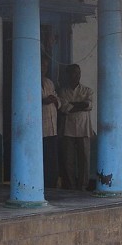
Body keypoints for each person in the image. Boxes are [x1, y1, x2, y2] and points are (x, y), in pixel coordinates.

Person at [58, 63, 93, 191]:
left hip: (84, 128)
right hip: (68, 129)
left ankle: (83, 186)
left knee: (85, 160)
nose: (77, 75)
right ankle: (71, 186)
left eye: (78, 73)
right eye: (74, 73)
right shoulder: (63, 91)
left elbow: (88, 105)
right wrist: (80, 105)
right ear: (68, 75)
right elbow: (64, 108)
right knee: (68, 161)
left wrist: (73, 105)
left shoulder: (87, 90)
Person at [40, 56, 60, 189]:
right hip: (39, 128)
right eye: (42, 65)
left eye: (46, 66)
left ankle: (51, 184)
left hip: (52, 128)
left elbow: (58, 100)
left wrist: (53, 99)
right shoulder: (30, 80)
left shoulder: (49, 82)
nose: (44, 69)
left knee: (51, 159)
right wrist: (44, 100)